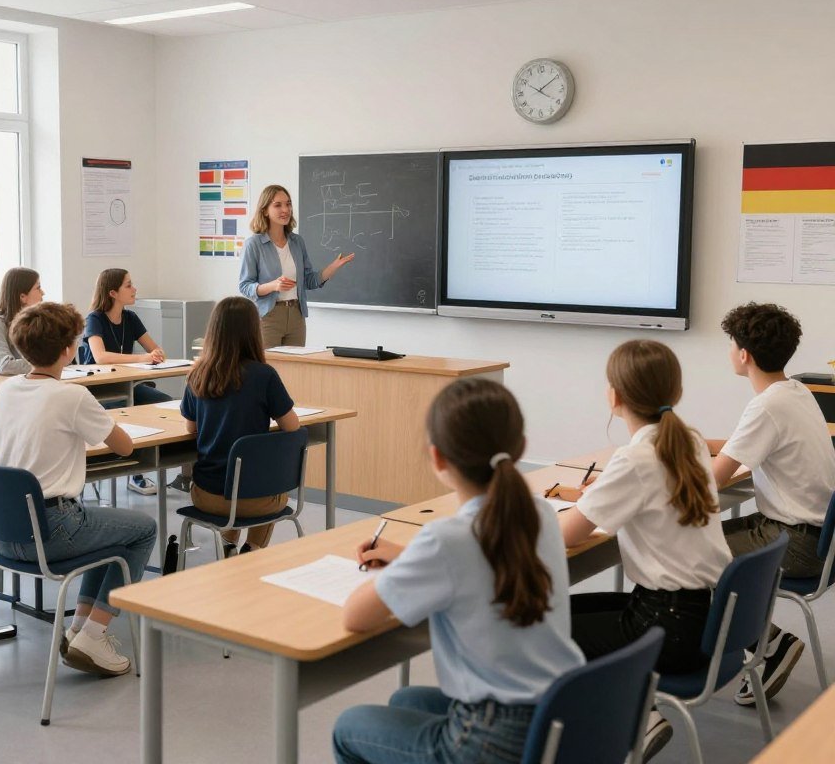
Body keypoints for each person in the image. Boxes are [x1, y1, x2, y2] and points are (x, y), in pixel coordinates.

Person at [332, 377, 584, 764]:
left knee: (350, 726)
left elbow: (355, 617)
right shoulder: (542, 514)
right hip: (558, 713)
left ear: (437, 458)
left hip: (491, 740)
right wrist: (411, 559)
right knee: (407, 699)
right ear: (521, 449)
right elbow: (481, 561)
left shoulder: (446, 540)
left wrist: (414, 564)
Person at [558, 340, 732, 761]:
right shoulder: (686, 440)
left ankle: (632, 716)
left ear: (614, 397)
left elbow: (568, 535)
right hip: (695, 615)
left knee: (541, 631)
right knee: (559, 611)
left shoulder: (636, 457)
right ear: (675, 393)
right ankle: (635, 710)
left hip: (665, 625)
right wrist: (604, 493)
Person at [0, 301, 157, 676]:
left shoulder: (7, 390)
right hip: (54, 530)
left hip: (3, 532)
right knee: (142, 530)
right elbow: (125, 447)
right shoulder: (71, 395)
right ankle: (95, 632)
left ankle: (81, 630)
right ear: (68, 351)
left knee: (112, 538)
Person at [709, 302, 835, 706]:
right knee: (700, 541)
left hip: (795, 542)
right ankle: (768, 642)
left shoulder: (766, 405)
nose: (730, 351)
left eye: (731, 344)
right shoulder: (795, 391)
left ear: (744, 354)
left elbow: (715, 479)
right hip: (818, 539)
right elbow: (740, 447)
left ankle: (769, 645)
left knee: (689, 552)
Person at [180, 296, 300, 554]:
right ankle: (252, 548)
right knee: (271, 488)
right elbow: (292, 426)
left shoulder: (198, 373)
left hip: (207, 496)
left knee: (234, 483)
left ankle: (228, 543)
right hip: (255, 500)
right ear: (253, 332)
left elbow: (191, 429)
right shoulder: (264, 375)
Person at [79, 268, 177, 495]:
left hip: (130, 385)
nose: (135, 289)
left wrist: (157, 354)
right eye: (129, 285)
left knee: (166, 404)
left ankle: (161, 464)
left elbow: (154, 348)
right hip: (99, 391)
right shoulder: (95, 318)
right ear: (113, 293)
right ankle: (136, 474)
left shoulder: (131, 318)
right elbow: (100, 357)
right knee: (129, 411)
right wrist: (143, 358)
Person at [237, 184, 354, 348]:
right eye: (278, 205)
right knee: (269, 369)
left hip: (296, 316)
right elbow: (245, 286)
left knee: (295, 371)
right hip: (268, 316)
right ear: (265, 210)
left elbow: (309, 281)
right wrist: (273, 286)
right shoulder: (254, 244)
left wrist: (333, 267)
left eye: (288, 204)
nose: (285, 209)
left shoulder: (297, 242)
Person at [0, 267, 44, 377]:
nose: (43, 293)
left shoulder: (34, 321)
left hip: (22, 383)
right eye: (38, 288)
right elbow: (5, 366)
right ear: (23, 297)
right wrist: (47, 364)